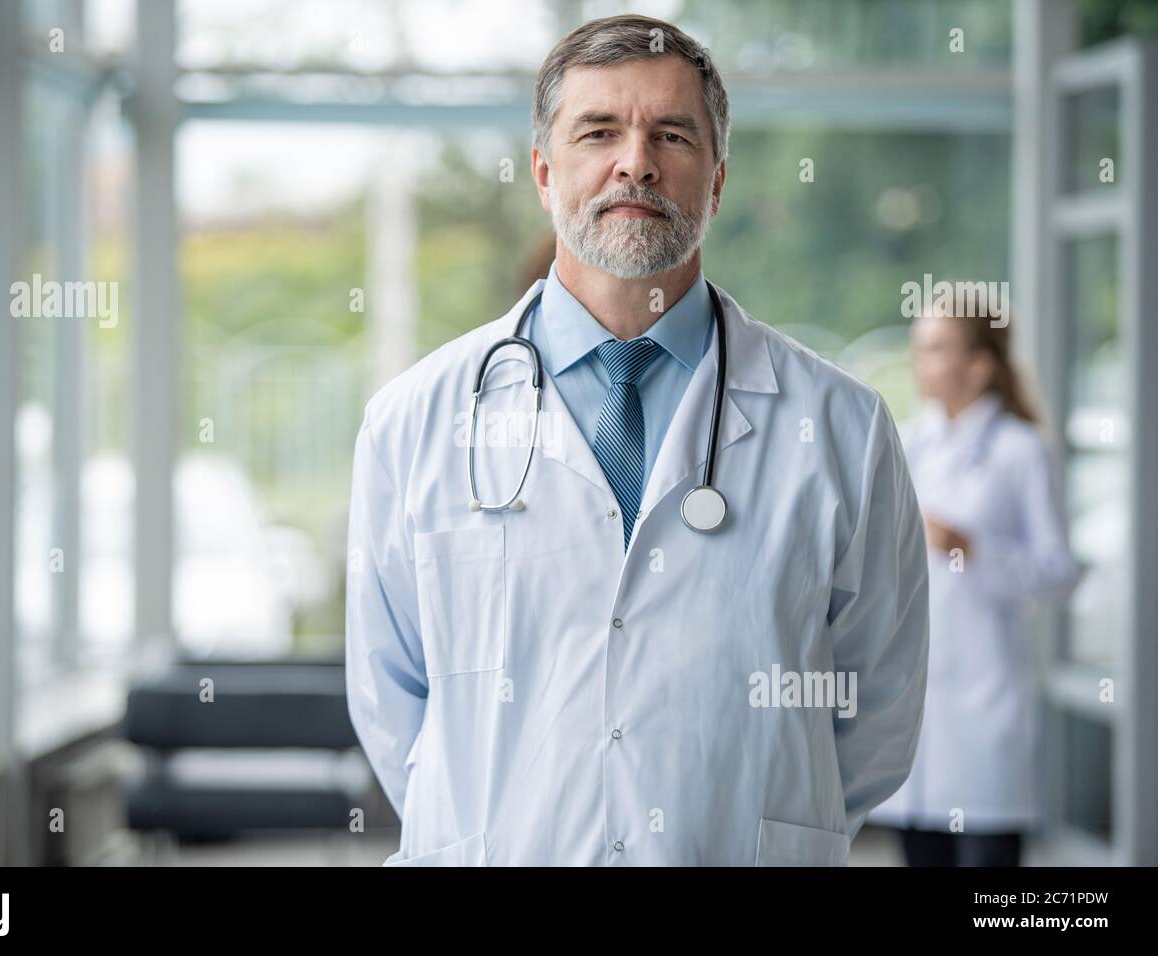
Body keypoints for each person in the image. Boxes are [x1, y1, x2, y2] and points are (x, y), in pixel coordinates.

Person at [344, 13, 929, 866]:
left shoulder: (840, 426)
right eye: (598, 131)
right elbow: (390, 701)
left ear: (718, 179)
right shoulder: (414, 423)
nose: (636, 161)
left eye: (672, 134)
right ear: (545, 173)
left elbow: (879, 705)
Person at [867, 288, 1082, 866]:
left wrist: (973, 548)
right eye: (919, 349)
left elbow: (1057, 574)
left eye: (936, 349)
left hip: (986, 700)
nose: (920, 363)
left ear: (980, 364)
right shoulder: (908, 442)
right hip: (916, 704)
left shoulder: (1021, 451)